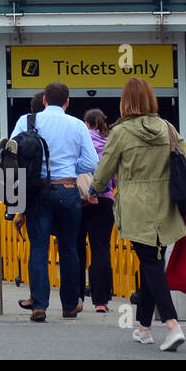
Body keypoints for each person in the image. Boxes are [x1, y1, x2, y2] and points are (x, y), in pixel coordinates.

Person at [90, 78, 186, 351]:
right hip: (166, 204)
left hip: (135, 205)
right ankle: (144, 328)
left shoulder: (121, 132)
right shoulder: (168, 128)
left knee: (151, 263)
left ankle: (172, 324)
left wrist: (94, 190)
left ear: (125, 101)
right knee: (151, 260)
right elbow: (185, 162)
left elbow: (105, 169)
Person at [13, 82, 99, 322]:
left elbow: (11, 154)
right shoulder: (77, 125)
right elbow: (91, 162)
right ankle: (70, 305)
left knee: (38, 247)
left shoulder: (26, 121)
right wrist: (70, 168)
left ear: (44, 101)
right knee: (70, 248)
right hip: (68, 189)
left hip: (37, 192)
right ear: (67, 102)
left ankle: (39, 304)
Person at [78, 109, 115, 314]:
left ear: (86, 123)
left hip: (81, 199)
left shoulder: (80, 141)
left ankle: (77, 297)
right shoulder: (110, 143)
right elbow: (115, 174)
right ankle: (101, 301)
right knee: (101, 249)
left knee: (77, 247)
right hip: (105, 199)